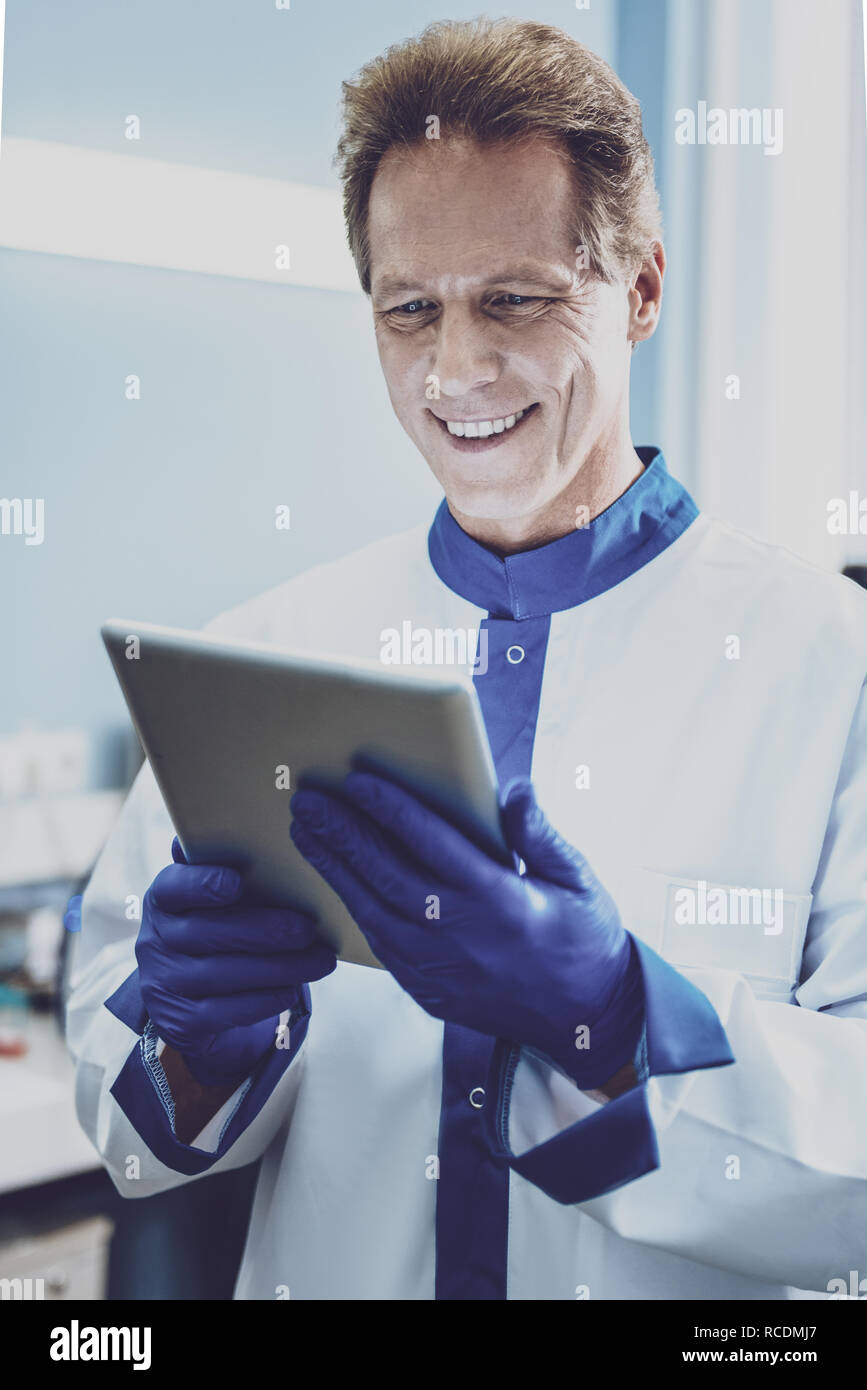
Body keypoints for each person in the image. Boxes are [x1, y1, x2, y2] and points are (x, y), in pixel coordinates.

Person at [66, 18, 867, 1300]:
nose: (458, 368)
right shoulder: (262, 657)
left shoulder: (835, 668)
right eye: (408, 311)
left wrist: (612, 1018)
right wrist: (194, 1043)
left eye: (515, 299)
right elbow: (129, 1120)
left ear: (642, 291)